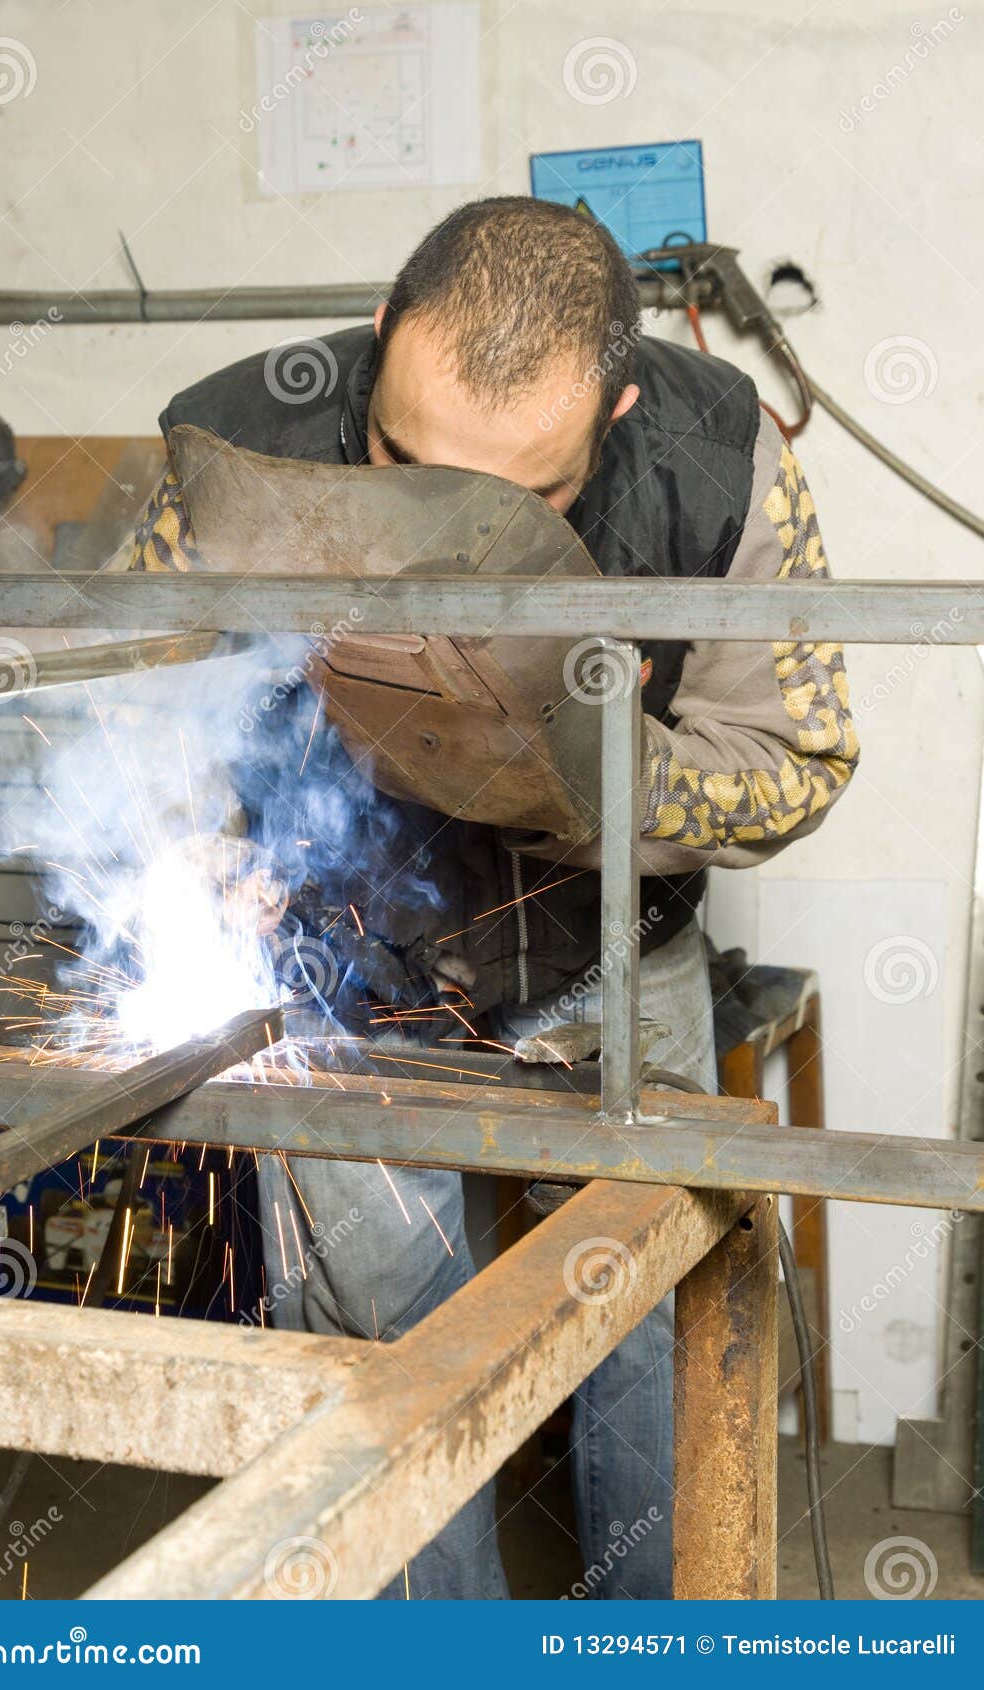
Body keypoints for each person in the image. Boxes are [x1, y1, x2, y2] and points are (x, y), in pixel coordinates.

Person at [130, 197, 858, 1598]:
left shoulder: (720, 459)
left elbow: (798, 761)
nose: (442, 534)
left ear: (617, 410)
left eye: (517, 504)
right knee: (382, 1367)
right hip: (345, 968)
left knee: (647, 1328)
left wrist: (589, 779)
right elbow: (139, 699)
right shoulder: (239, 443)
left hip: (606, 950)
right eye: (401, 462)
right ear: (382, 337)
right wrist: (195, 836)